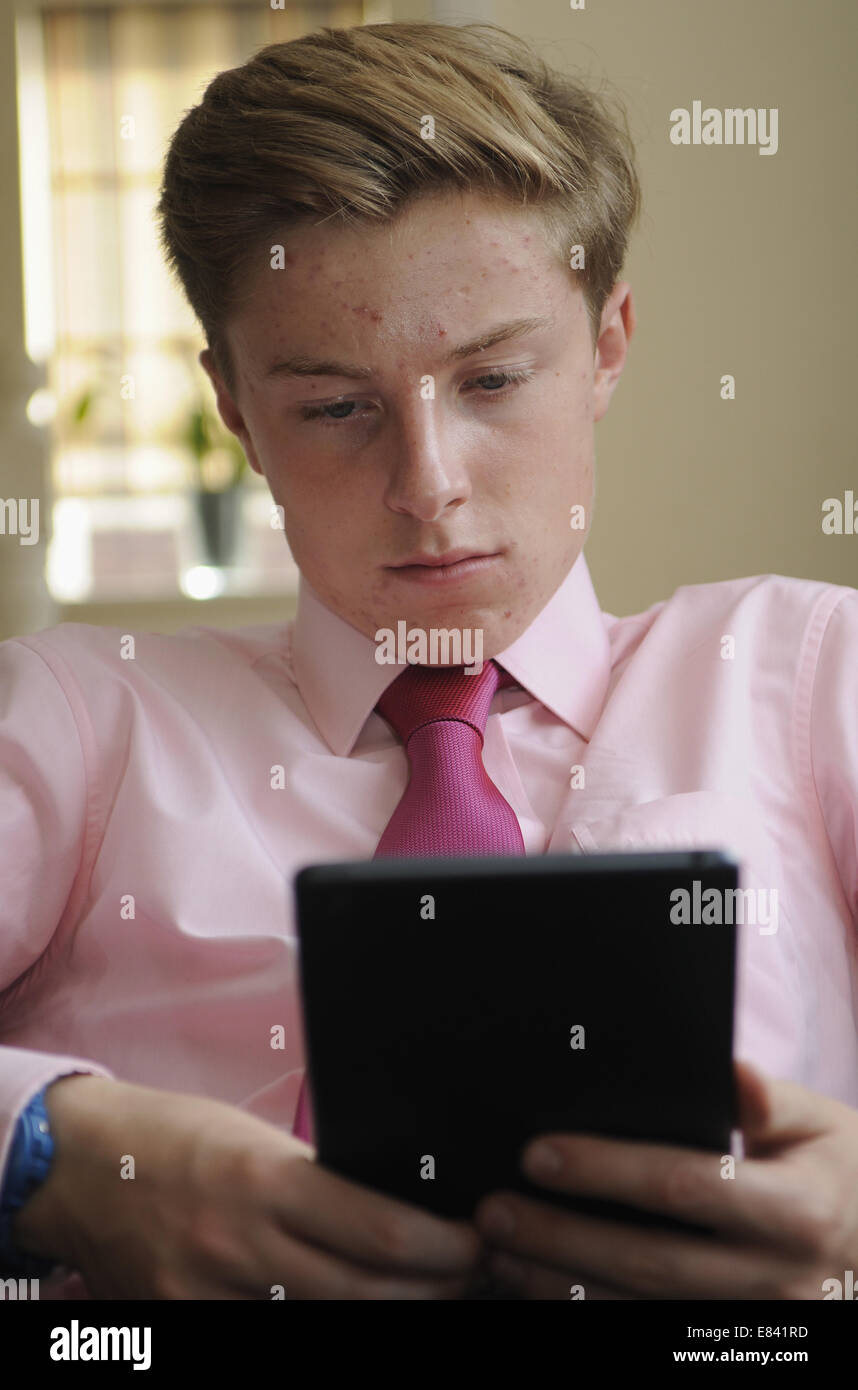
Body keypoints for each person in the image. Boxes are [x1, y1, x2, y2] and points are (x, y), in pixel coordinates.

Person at [1, 20, 856, 1302]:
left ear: (609, 343)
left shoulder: (813, 672)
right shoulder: (80, 716)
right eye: (337, 407)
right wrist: (51, 1151)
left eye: (495, 378)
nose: (429, 487)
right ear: (234, 405)